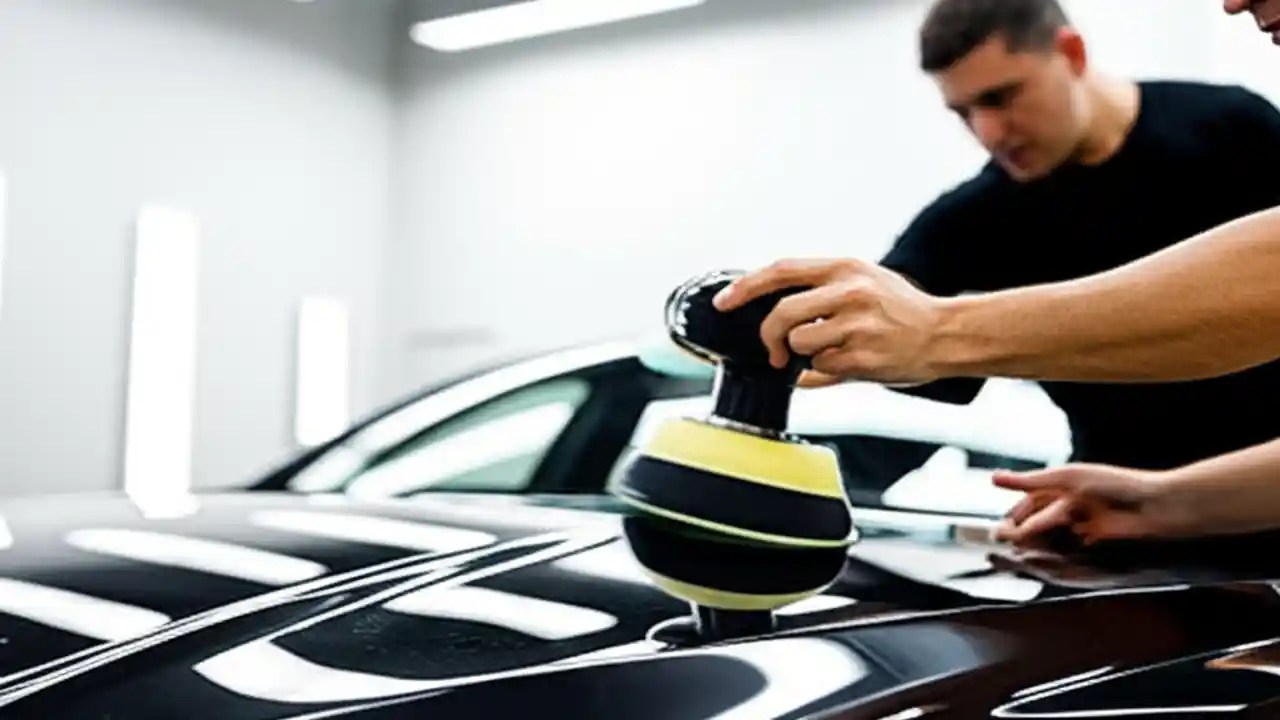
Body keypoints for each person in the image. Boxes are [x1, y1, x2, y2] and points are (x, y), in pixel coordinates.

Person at [715, 0, 1280, 476]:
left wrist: (940, 330)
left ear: (1072, 54)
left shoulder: (1233, 126)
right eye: (963, 112)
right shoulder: (971, 220)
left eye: (1002, 97)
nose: (987, 133)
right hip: (1113, 509)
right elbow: (873, 316)